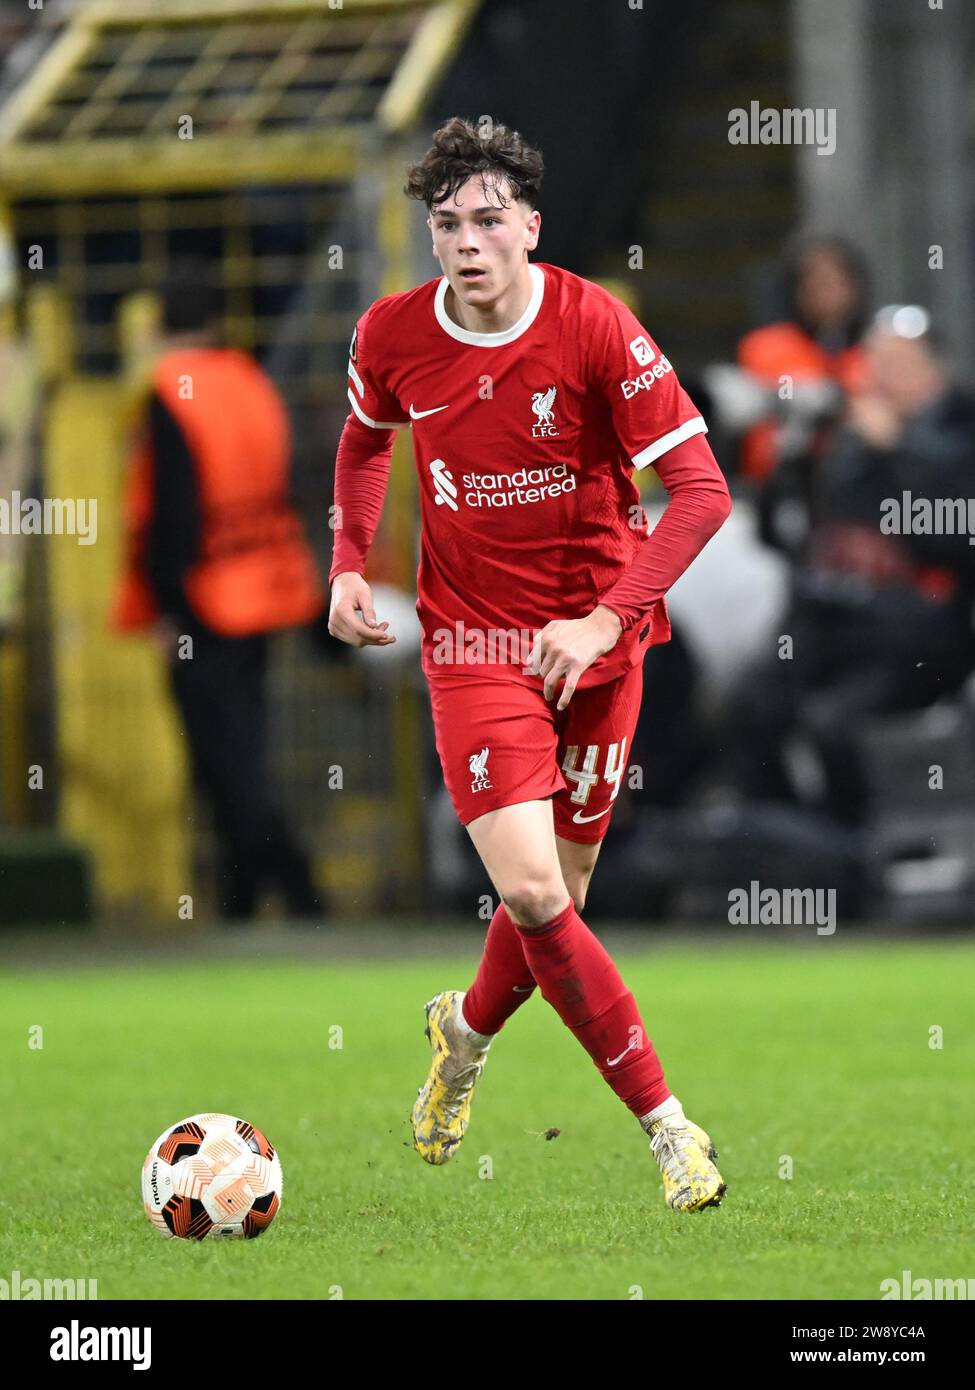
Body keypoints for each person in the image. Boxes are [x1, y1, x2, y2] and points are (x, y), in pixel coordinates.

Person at [328, 118, 732, 1211]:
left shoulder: (595, 324)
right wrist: (349, 563)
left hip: (599, 647)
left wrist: (607, 621)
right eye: (447, 224)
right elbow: (367, 437)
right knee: (532, 888)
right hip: (472, 647)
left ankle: (462, 1030)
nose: (467, 242)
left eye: (489, 221)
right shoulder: (393, 335)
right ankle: (670, 1127)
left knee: (559, 899)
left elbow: (703, 493)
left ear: (531, 228)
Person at [113, 263, 326, 920]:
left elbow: (170, 514)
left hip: (205, 603)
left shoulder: (170, 394)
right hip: (267, 585)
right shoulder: (250, 382)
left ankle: (295, 888)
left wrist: (166, 607)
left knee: (225, 761)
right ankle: (245, 900)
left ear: (157, 327)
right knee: (239, 750)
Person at [726, 305, 975, 823]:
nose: (884, 376)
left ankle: (854, 849)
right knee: (750, 707)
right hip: (831, 618)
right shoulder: (848, 434)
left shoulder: (954, 431)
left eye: (901, 362)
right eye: (877, 362)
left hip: (919, 632)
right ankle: (788, 842)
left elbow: (952, 538)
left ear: (933, 369)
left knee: (831, 724)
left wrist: (896, 449)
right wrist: (794, 455)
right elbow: (781, 535)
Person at [737, 236, 871, 483]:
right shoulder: (766, 347)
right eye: (814, 283)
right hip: (778, 480)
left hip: (859, 479)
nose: (825, 293)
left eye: (836, 282)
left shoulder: (875, 350)